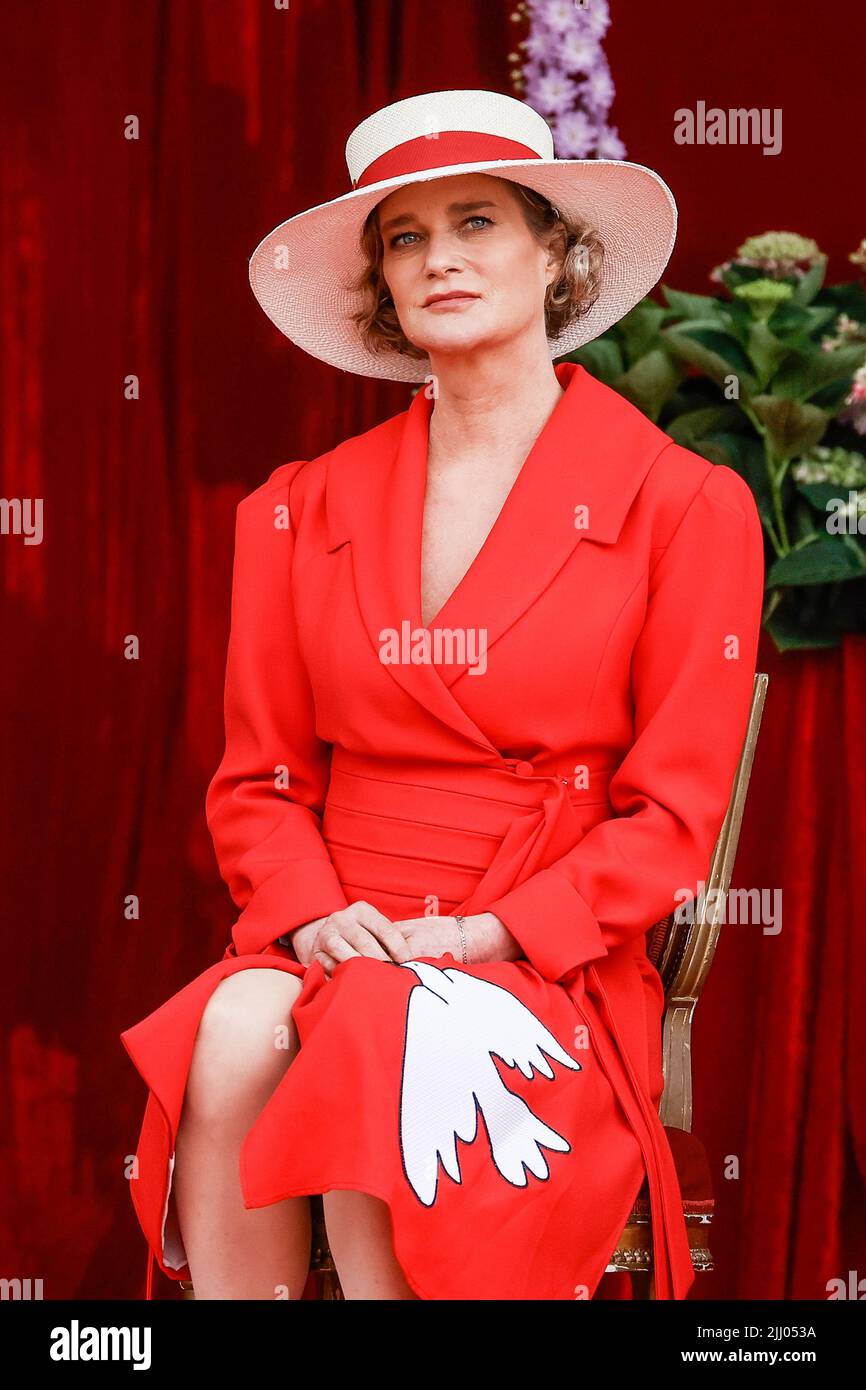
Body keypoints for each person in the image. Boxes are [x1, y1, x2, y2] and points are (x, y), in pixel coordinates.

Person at [120, 88, 765, 1301]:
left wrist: (483, 935)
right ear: (382, 285)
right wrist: (311, 915)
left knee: (382, 1029)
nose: (440, 258)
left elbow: (674, 823)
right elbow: (258, 782)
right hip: (341, 929)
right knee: (230, 1026)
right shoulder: (295, 506)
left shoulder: (682, 505)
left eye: (475, 221)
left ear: (554, 257)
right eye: (404, 238)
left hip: (541, 956)